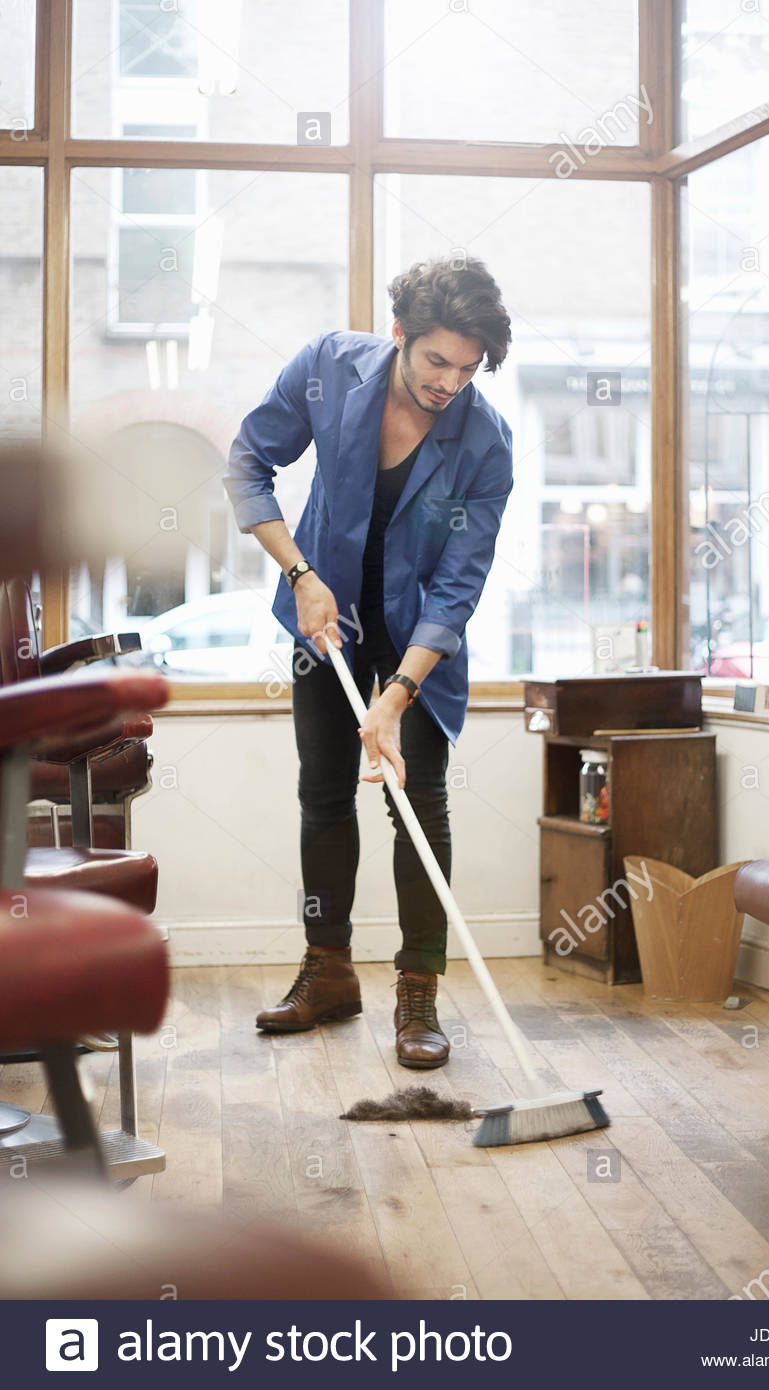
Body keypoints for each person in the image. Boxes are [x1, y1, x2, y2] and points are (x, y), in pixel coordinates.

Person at [223, 256, 513, 1069]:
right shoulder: (328, 369)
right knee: (322, 797)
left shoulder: (485, 442)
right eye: (435, 361)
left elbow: (457, 586)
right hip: (326, 625)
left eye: (467, 368)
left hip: (417, 642)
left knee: (418, 807)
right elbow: (248, 462)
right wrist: (299, 574)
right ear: (400, 335)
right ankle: (328, 972)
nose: (449, 382)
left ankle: (417, 989)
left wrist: (397, 695)